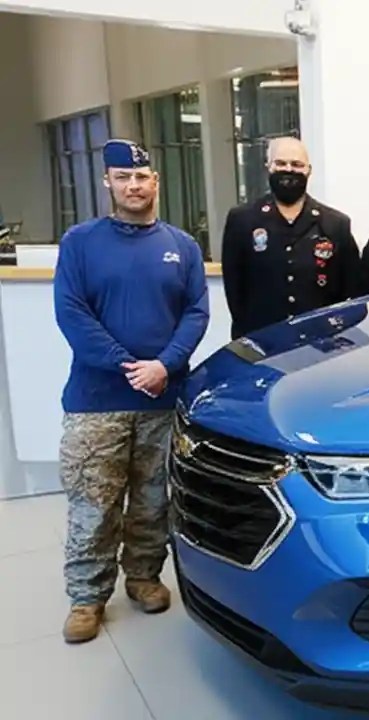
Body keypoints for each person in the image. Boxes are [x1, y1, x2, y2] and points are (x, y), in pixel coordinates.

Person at [52, 139, 211, 644]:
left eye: (142, 178)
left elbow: (196, 313)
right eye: (124, 178)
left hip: (163, 399)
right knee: (94, 502)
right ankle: (87, 596)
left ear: (155, 182)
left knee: (151, 499)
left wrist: (164, 366)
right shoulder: (80, 242)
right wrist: (130, 367)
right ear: (108, 183)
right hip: (96, 402)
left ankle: (144, 577)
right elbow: (72, 313)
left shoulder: (181, 246)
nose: (134, 186)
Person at [221, 136, 361, 339]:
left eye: (296, 164)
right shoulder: (243, 219)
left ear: (308, 171)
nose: (288, 170)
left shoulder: (335, 224)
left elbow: (351, 290)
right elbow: (235, 289)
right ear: (268, 166)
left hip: (321, 344)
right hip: (261, 342)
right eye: (280, 163)